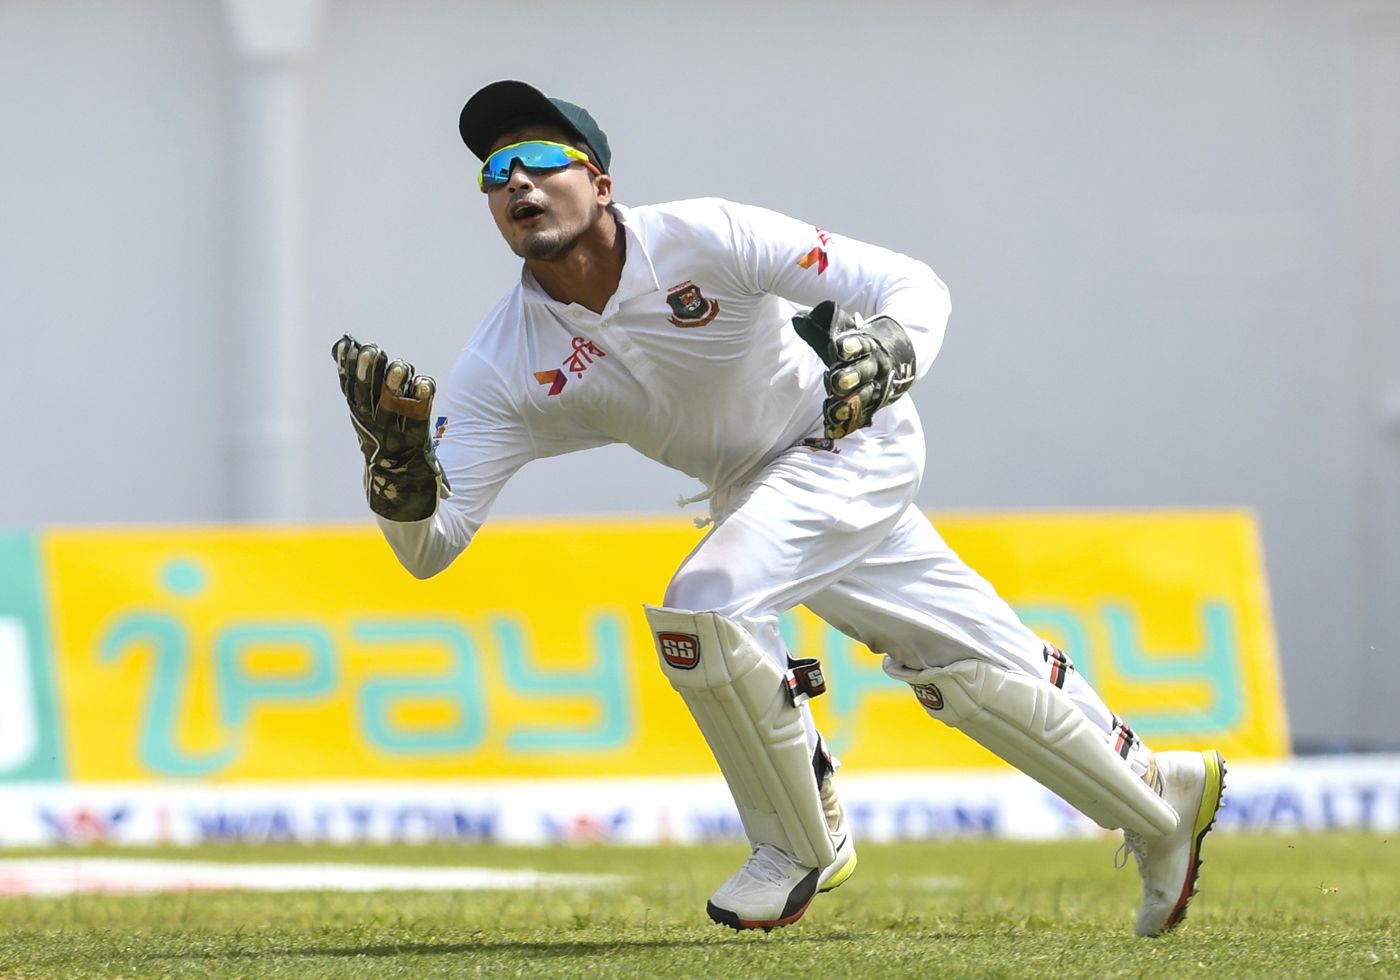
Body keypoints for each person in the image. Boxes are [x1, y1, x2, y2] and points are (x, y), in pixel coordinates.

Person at [332, 79, 1225, 936]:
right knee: (970, 668)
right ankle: (1158, 799)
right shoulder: (501, 363)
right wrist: (401, 475)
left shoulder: (705, 236)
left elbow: (910, 284)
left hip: (847, 438)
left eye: (538, 158)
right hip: (755, 494)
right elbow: (429, 544)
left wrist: (890, 352)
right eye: (495, 173)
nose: (516, 181)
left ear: (600, 184)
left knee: (705, 604)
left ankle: (799, 840)